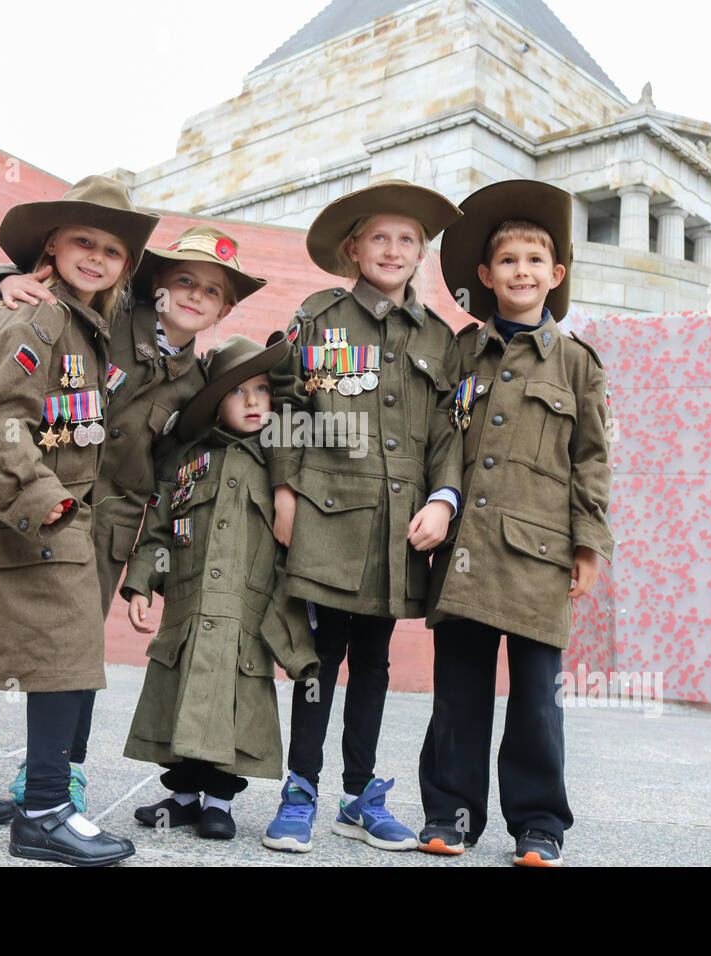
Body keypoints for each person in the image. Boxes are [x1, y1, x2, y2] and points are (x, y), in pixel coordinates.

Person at [0, 175, 159, 866]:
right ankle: (44, 810)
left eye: (113, 249)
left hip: (23, 507)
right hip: (30, 508)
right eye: (83, 241)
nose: (98, 257)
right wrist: (49, 504)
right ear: (53, 245)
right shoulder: (39, 319)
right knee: (67, 651)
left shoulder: (83, 320)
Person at [0, 225, 266, 811]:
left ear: (225, 308)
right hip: (41, 496)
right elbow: (43, 300)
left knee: (77, 651)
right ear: (154, 284)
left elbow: (173, 476)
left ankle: (62, 772)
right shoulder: (109, 319)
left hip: (106, 525)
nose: (194, 295)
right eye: (183, 280)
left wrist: (150, 562)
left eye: (211, 291)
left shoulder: (198, 383)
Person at [260, 180, 464, 853]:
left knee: (373, 664)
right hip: (325, 521)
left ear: (421, 254)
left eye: (408, 240)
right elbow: (285, 407)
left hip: (397, 529)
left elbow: (448, 434)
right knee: (319, 659)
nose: (394, 250)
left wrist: (443, 499)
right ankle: (300, 789)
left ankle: (358, 794)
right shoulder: (317, 318)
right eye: (380, 237)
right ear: (354, 248)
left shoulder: (440, 338)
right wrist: (285, 493)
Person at [417, 180, 613, 866]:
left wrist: (589, 544)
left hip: (540, 554)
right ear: (485, 276)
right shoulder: (460, 354)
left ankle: (538, 824)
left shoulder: (578, 364)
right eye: (508, 261)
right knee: (459, 692)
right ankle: (450, 813)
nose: (521, 271)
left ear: (555, 276)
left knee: (536, 701)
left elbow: (592, 460)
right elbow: (439, 438)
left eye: (535, 260)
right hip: (468, 551)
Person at [120, 334, 318, 840]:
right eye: (237, 392)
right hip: (188, 607)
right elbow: (160, 528)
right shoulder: (187, 462)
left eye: (262, 390)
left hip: (249, 612)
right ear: (215, 403)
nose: (253, 402)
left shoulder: (280, 467)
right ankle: (183, 796)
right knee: (178, 699)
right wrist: (141, 582)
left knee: (235, 704)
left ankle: (221, 803)